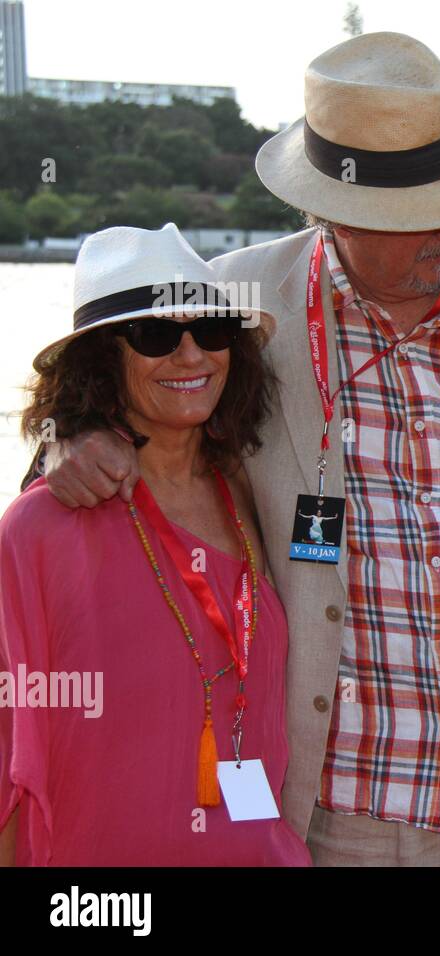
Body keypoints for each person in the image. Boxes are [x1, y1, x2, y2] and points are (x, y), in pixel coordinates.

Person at [39, 32, 440, 866]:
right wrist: (69, 437)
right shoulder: (236, 302)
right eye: (416, 215)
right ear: (335, 217)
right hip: (344, 808)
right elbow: (123, 379)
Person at [0, 224, 310, 865]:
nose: (192, 356)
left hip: (254, 849)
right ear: (101, 358)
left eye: (214, 330)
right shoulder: (42, 528)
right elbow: (11, 750)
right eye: (156, 335)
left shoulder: (254, 495)